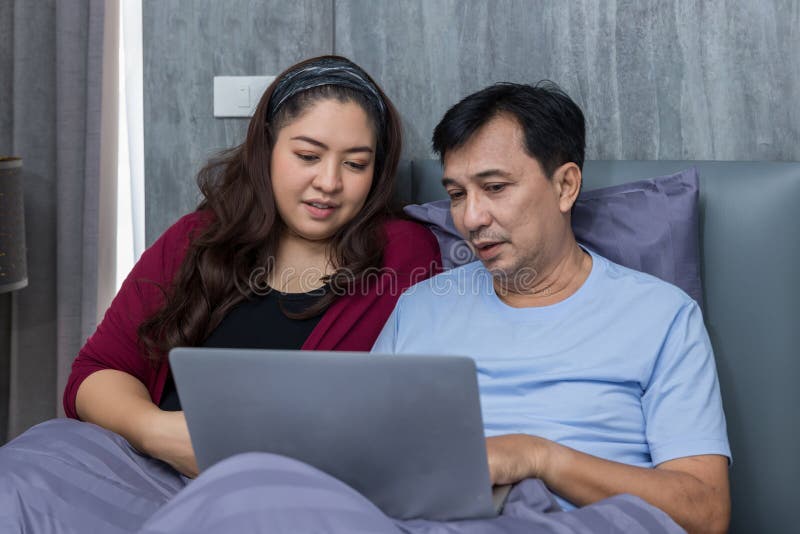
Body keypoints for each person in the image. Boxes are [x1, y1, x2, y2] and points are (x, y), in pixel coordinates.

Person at [0, 55, 440, 532]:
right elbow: (97, 373)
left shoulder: (403, 252)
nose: (329, 183)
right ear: (267, 149)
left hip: (275, 496)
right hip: (145, 464)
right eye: (308, 156)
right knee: (18, 478)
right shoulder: (197, 237)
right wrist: (156, 431)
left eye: (356, 164)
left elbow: (412, 414)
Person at [371, 82, 731, 534]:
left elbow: (706, 511)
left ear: (565, 186)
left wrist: (537, 457)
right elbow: (365, 458)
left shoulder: (662, 316)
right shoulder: (419, 307)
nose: (470, 218)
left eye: (495, 187)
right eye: (458, 194)